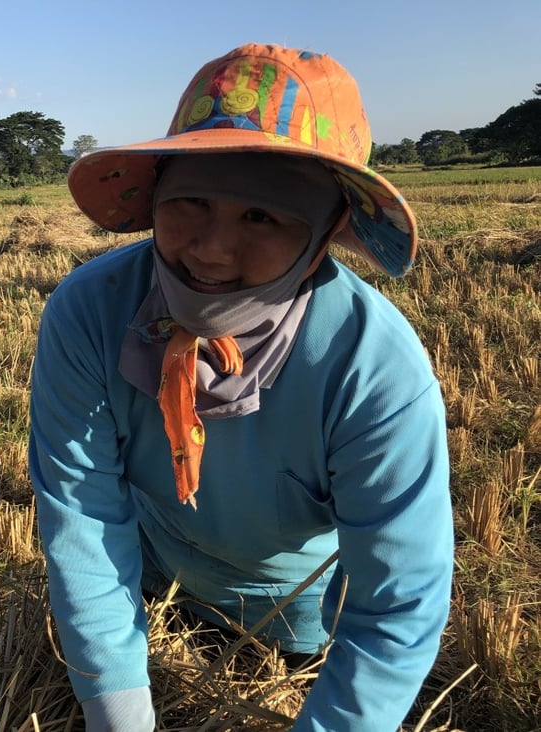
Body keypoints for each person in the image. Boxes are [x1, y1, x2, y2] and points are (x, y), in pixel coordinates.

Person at [28, 43, 454, 731]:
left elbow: (395, 605)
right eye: (190, 202)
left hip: (296, 631)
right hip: (149, 590)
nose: (210, 249)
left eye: (261, 217)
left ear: (322, 235)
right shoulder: (90, 313)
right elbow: (83, 518)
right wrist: (119, 713)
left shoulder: (372, 367)